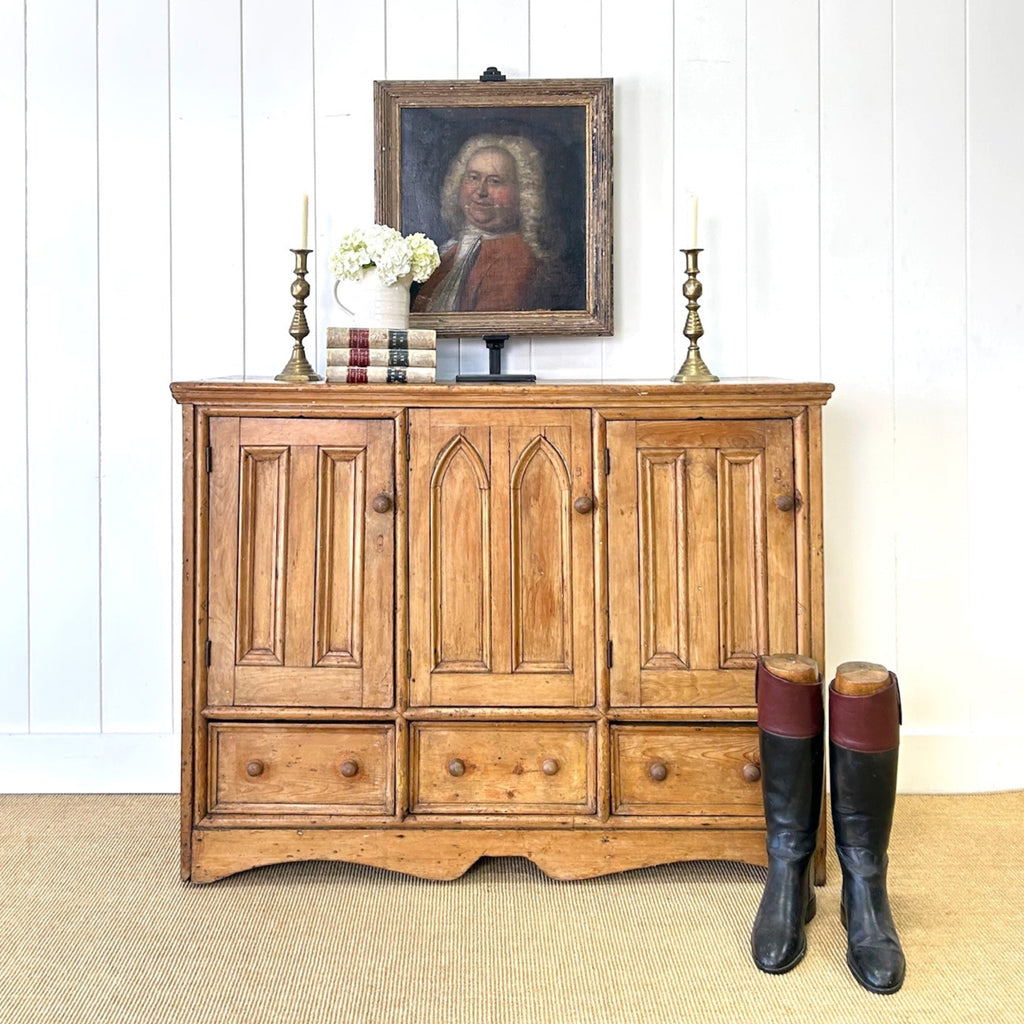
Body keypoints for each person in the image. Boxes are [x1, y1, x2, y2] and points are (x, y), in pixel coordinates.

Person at [412, 134, 563, 313]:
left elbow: (487, 328)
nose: (481, 191)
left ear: (522, 193)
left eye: (494, 181)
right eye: (474, 177)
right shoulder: (453, 250)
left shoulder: (514, 256)